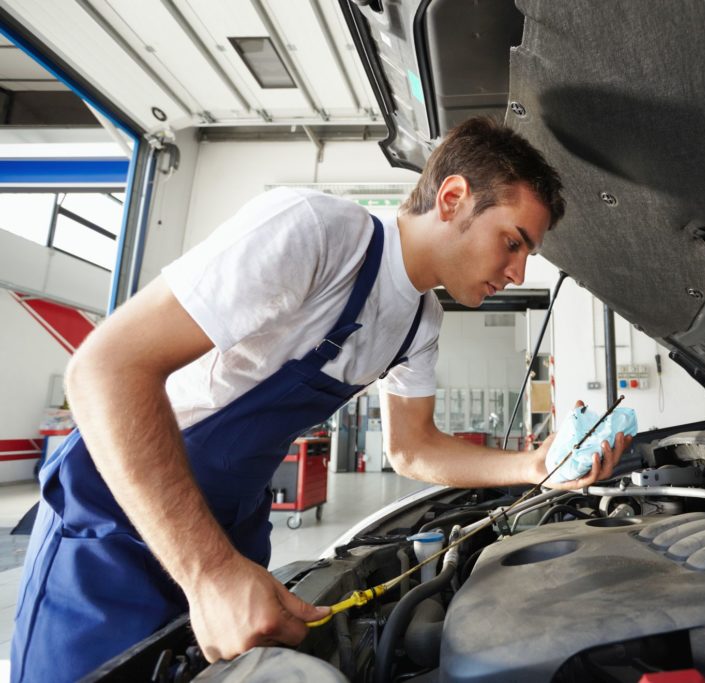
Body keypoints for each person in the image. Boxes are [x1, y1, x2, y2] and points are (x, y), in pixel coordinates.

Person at [10, 117, 631, 682]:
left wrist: (534, 468)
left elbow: (411, 448)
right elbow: (105, 368)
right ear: (452, 199)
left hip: (231, 523)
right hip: (120, 518)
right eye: (513, 241)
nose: (518, 271)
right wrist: (209, 574)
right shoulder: (315, 233)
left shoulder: (421, 322)